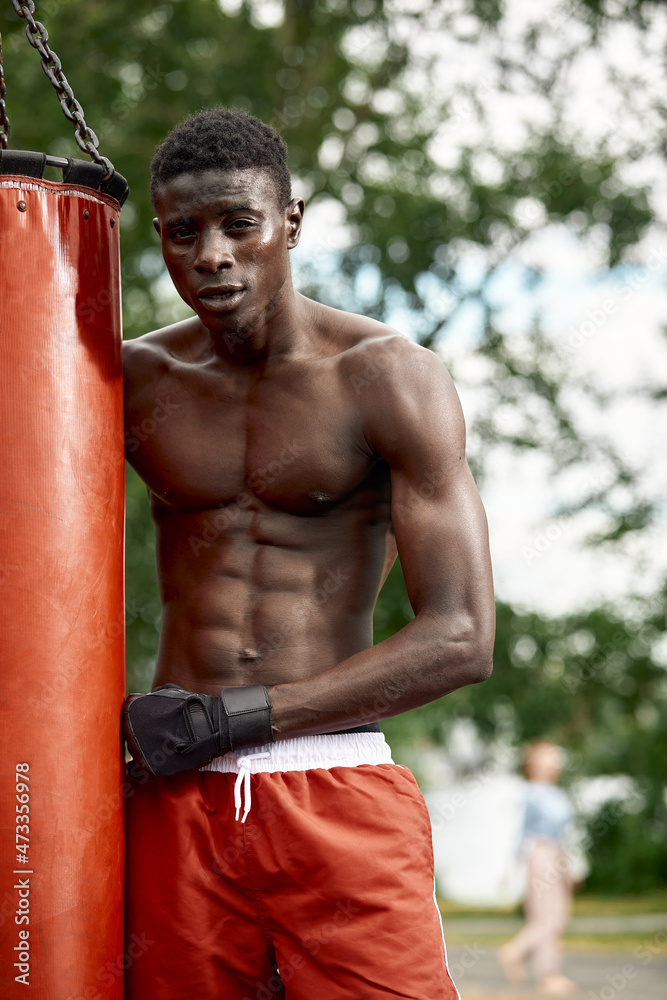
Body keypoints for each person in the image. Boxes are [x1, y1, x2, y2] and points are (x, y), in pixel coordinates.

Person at [122, 106, 495, 1000]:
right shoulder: (129, 380)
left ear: (290, 222)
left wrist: (230, 720)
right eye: (183, 233)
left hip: (331, 781)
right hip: (173, 802)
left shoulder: (385, 375)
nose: (210, 255)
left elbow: (460, 637)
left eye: (238, 225)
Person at [497, 741, 578, 997]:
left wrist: (571, 868)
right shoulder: (530, 794)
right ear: (533, 763)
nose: (554, 761)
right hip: (540, 854)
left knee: (560, 915)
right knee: (545, 916)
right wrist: (511, 867)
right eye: (548, 756)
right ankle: (541, 969)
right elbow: (520, 832)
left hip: (559, 854)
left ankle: (538, 965)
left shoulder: (558, 793)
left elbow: (567, 834)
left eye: (556, 756)